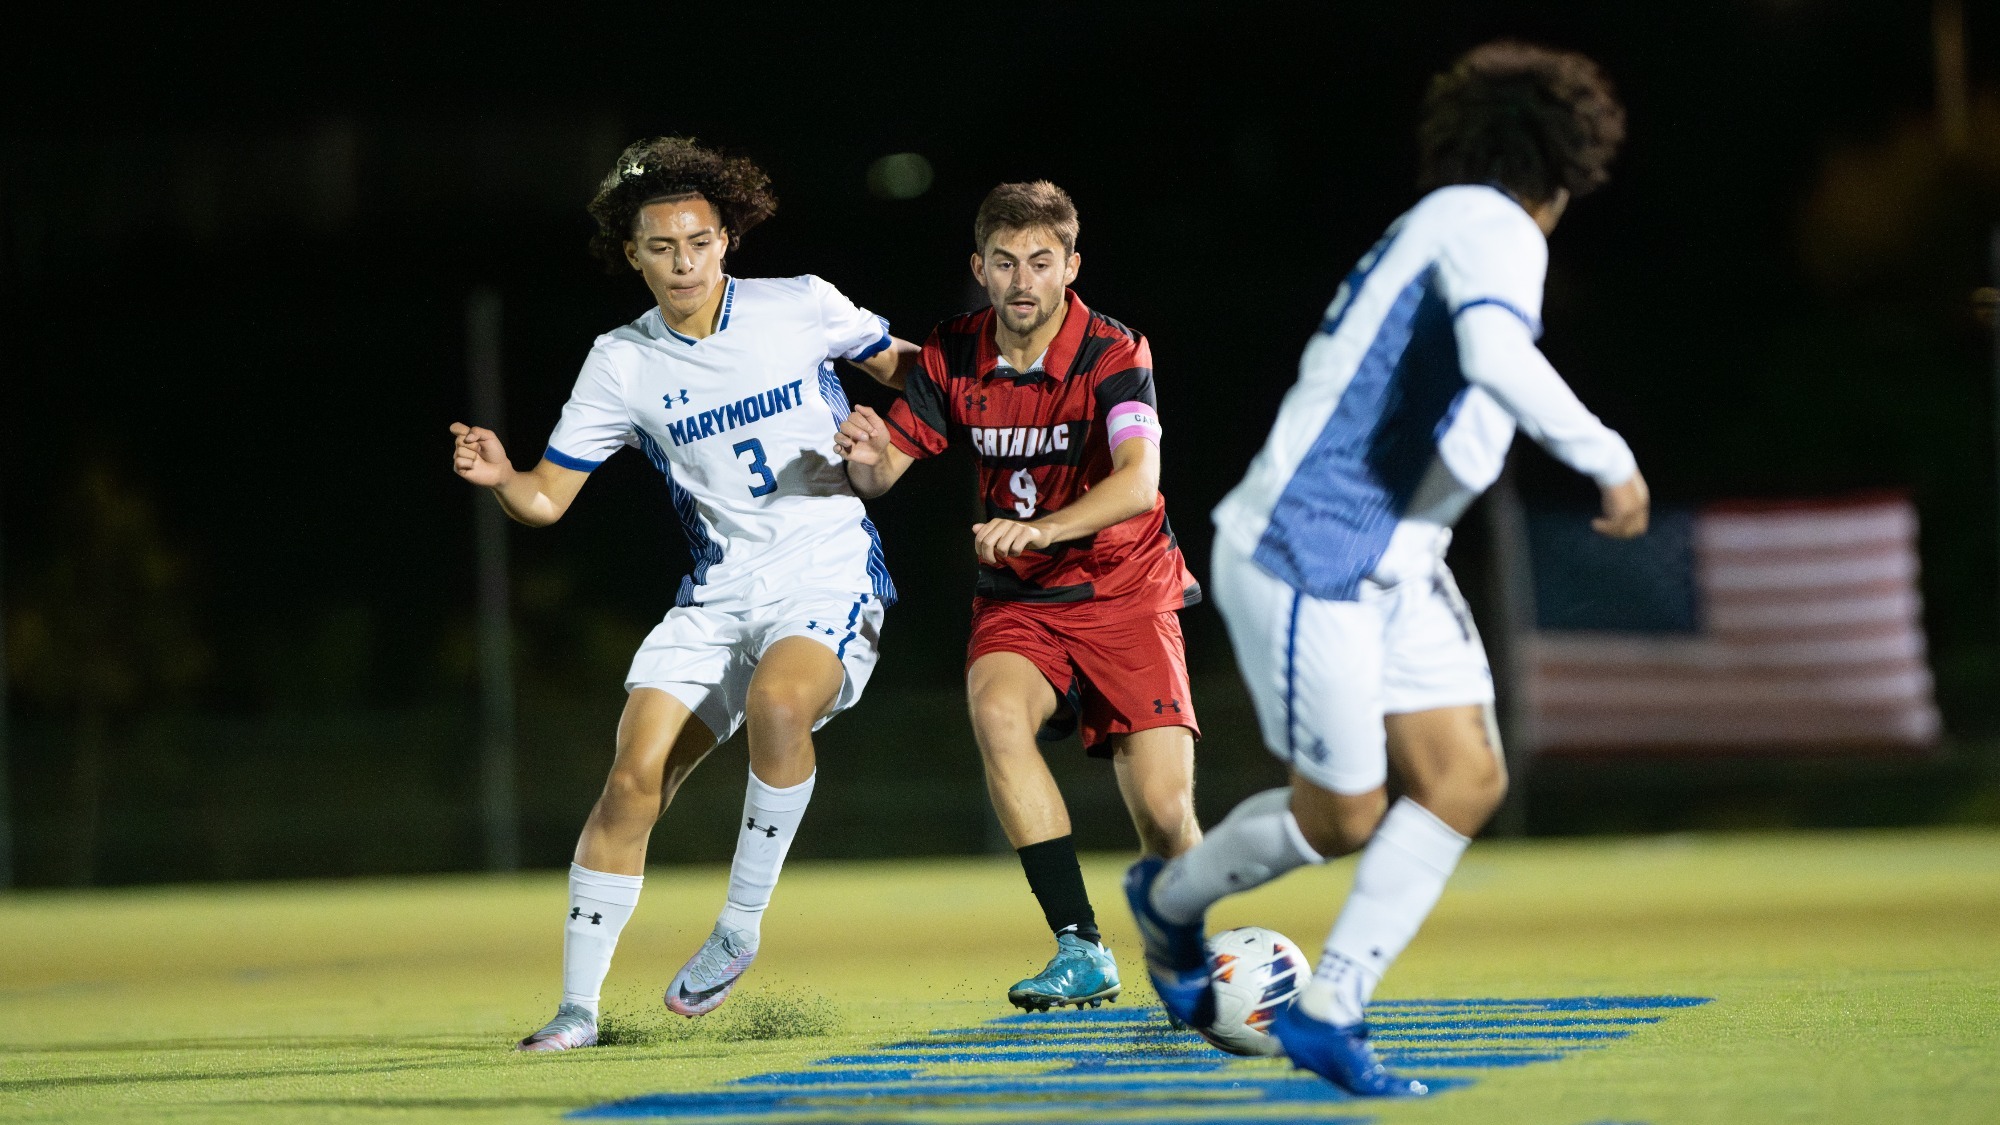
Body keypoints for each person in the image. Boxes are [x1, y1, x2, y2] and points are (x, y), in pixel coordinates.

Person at [1123, 41, 1647, 1095]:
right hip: (1311, 549)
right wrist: (1608, 457)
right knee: (1342, 817)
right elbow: (1494, 355)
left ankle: (1329, 1011)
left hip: (1396, 560)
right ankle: (1170, 901)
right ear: (1570, 161)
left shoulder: (1448, 220)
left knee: (1464, 778)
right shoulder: (1491, 224)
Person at [449, 136, 917, 1051]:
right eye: (661, 247)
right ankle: (578, 1011)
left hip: (826, 571)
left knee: (780, 703)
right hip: (715, 598)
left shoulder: (798, 304)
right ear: (632, 253)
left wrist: (896, 446)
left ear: (726, 239)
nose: (683, 262)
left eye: (699, 242)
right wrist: (505, 477)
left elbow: (921, 374)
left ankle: (737, 928)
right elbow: (546, 498)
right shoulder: (621, 360)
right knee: (633, 780)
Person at [837, 181, 1202, 1012]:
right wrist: (865, 457)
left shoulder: (1114, 352)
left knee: (1164, 813)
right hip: (1022, 598)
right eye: (1004, 262)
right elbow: (886, 471)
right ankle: (1081, 946)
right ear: (980, 269)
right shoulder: (953, 351)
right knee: (997, 711)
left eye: (1041, 261)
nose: (1023, 280)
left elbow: (1139, 482)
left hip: (1127, 589)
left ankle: (1192, 954)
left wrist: (1043, 529)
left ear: (1071, 266)